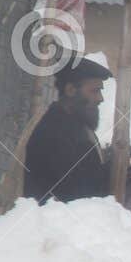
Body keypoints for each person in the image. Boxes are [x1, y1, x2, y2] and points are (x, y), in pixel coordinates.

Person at [23, 56, 112, 203]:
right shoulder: (54, 131)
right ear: (70, 90)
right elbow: (80, 192)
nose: (100, 98)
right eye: (95, 91)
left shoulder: (76, 125)